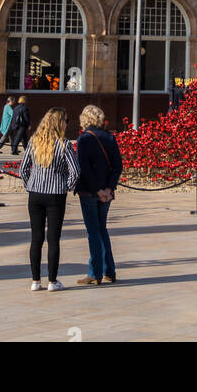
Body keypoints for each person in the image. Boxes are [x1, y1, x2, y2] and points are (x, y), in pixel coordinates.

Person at [20, 107, 80, 292]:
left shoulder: (33, 142)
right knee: (53, 239)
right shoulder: (64, 144)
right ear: (59, 123)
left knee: (36, 238)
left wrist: (31, 184)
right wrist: (66, 185)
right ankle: (52, 281)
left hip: (35, 195)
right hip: (55, 195)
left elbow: (23, 169)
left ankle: (35, 281)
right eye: (65, 120)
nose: (67, 124)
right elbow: (75, 171)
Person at [74, 105, 123, 286]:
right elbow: (117, 165)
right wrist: (109, 189)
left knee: (93, 232)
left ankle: (95, 273)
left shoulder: (84, 139)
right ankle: (109, 271)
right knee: (102, 229)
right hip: (107, 194)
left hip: (90, 192)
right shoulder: (110, 137)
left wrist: (98, 190)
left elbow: (84, 169)